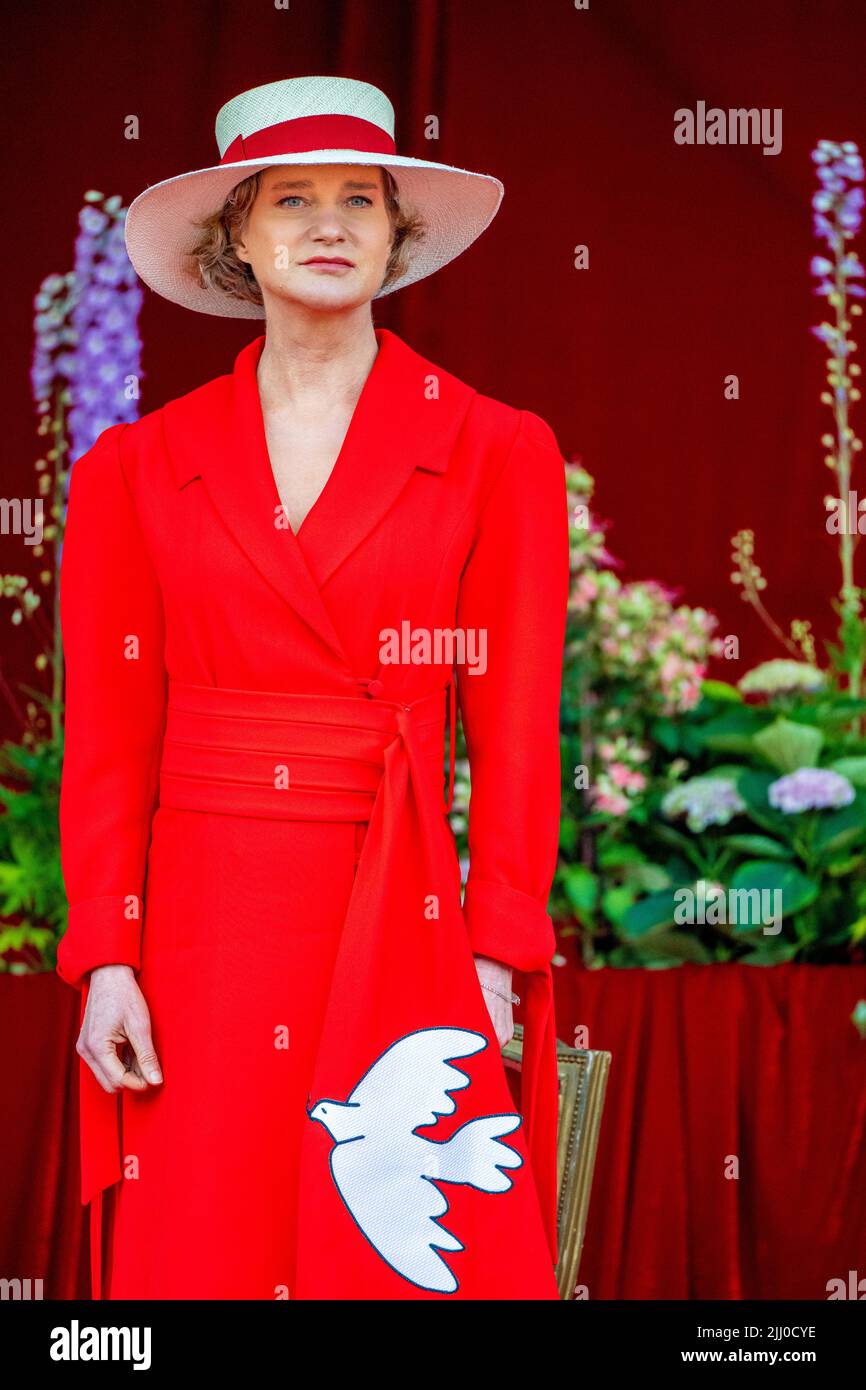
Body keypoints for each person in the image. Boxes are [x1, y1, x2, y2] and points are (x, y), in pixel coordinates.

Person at [57, 75, 570, 1300]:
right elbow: (112, 738)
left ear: (397, 236)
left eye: (358, 197)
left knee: (386, 1253)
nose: (327, 223)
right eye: (290, 198)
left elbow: (514, 725)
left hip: (396, 913)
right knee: (209, 1239)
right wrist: (106, 953)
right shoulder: (133, 467)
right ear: (236, 234)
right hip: (200, 931)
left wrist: (497, 945)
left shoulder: (498, 450)